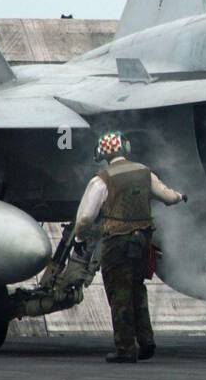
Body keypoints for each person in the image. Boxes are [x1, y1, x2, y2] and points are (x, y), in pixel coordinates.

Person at [75, 131, 185, 363]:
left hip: (117, 243)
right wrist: (180, 196)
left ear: (102, 153)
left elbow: (85, 218)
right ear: (126, 148)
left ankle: (125, 349)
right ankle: (146, 342)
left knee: (119, 294)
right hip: (143, 242)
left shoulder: (102, 180)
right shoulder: (145, 172)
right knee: (137, 290)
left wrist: (79, 237)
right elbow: (168, 197)